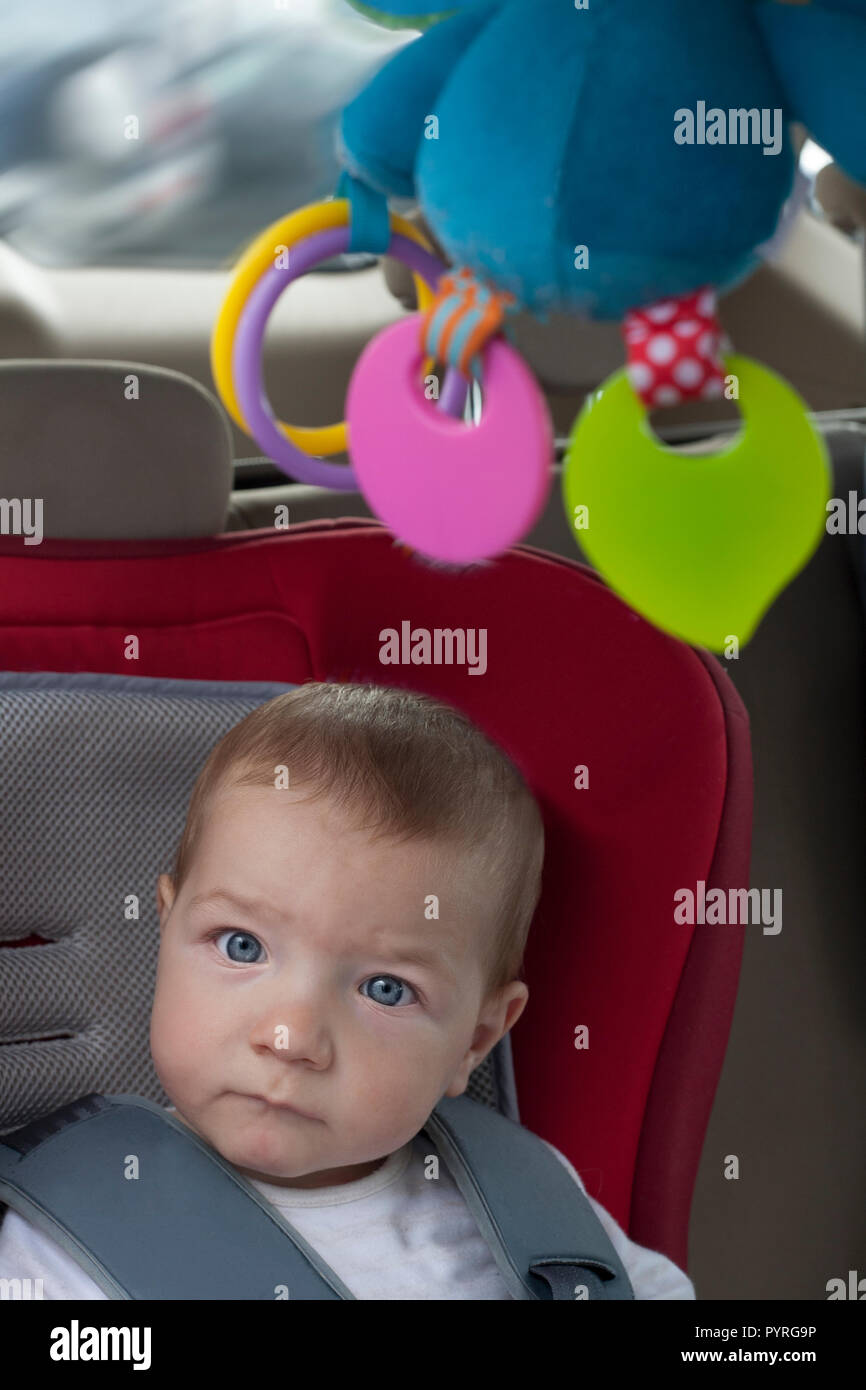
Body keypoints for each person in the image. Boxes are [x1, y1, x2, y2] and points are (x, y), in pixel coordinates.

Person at [0, 682, 695, 1300]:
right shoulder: (77, 1231)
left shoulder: (534, 1199)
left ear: (476, 1041)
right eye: (243, 946)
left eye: (386, 989)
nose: (292, 1038)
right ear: (166, 930)